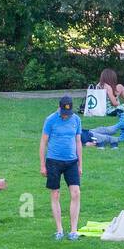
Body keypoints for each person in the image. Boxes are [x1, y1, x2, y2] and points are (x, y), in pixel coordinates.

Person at [40, 95, 83, 239]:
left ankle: (73, 230)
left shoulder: (76, 120)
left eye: (68, 114)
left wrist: (80, 164)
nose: (66, 116)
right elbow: (43, 143)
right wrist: (42, 165)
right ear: (59, 108)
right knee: (55, 194)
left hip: (71, 162)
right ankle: (59, 230)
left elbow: (78, 142)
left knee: (76, 193)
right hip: (53, 161)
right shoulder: (50, 120)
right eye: (64, 114)